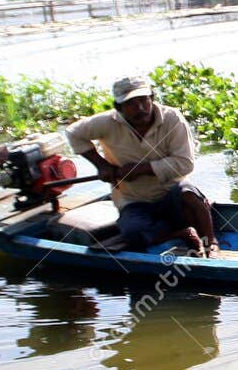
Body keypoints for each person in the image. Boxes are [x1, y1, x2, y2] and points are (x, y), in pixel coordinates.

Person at [64, 75, 218, 256]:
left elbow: (185, 163)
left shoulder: (172, 118)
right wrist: (101, 165)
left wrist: (141, 169)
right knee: (132, 233)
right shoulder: (107, 123)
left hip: (172, 193)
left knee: (189, 193)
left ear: (152, 98)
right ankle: (181, 233)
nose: (140, 108)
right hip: (134, 200)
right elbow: (73, 133)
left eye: (144, 100)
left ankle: (211, 242)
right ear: (118, 108)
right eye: (131, 104)